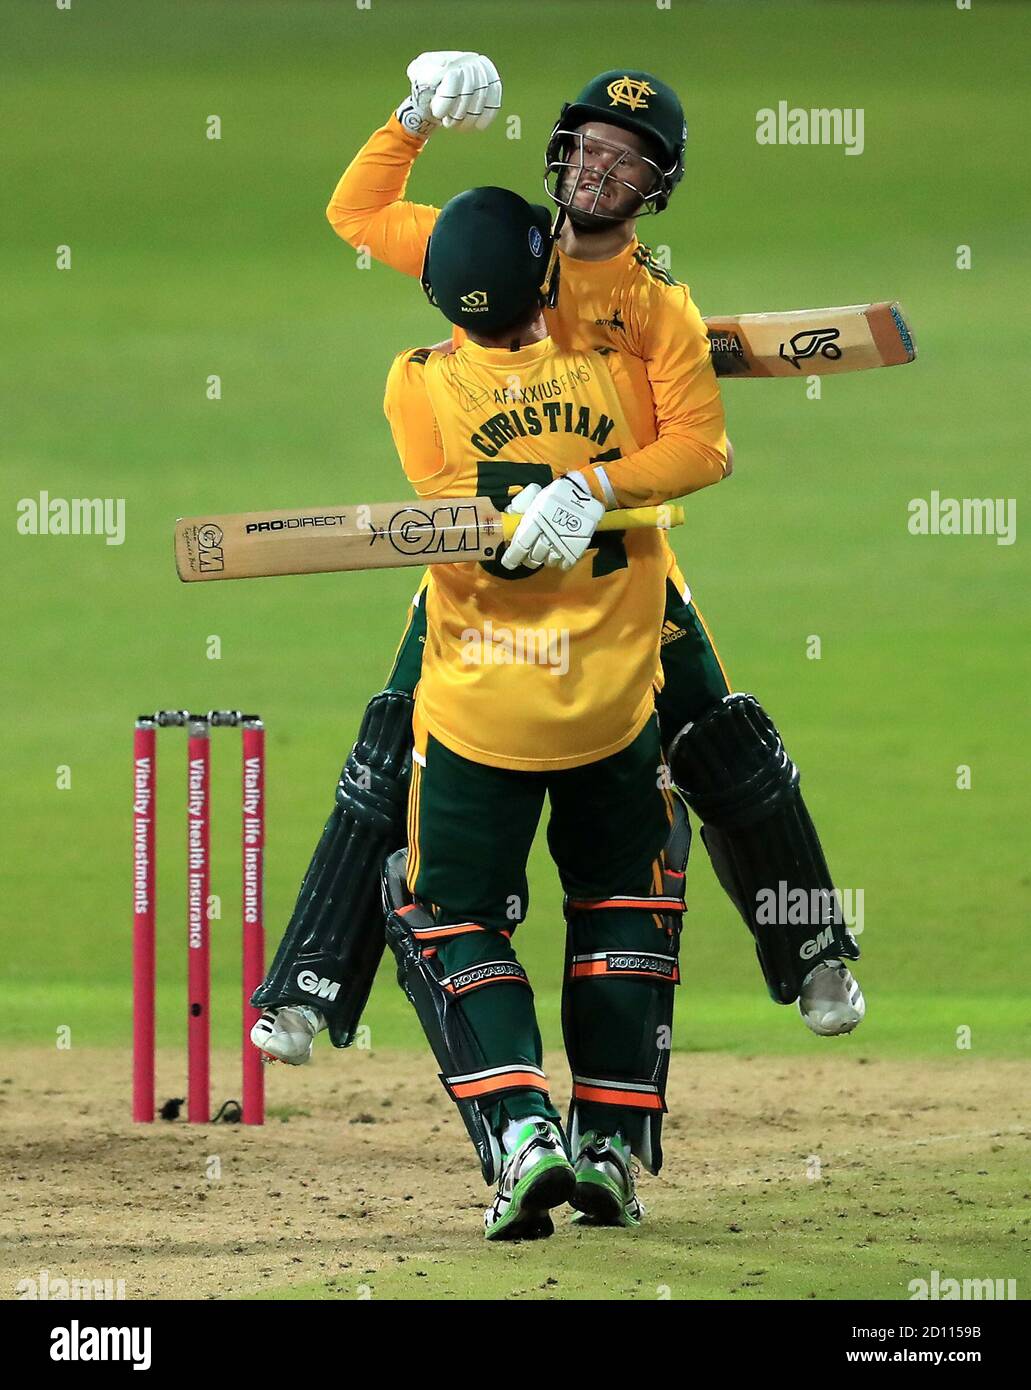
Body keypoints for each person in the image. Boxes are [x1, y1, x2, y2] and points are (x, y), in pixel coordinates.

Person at [251, 55, 862, 1074]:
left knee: (724, 743)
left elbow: (700, 448)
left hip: (620, 561)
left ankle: (810, 954)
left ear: (652, 187)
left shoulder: (652, 302)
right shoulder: (491, 240)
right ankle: (307, 987)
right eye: (586, 147)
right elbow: (358, 216)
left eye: (625, 161)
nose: (597, 173)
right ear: (557, 150)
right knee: (393, 746)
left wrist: (594, 491)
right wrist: (410, 117)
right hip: (479, 565)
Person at [382, 184, 704, 1237]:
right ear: (546, 281)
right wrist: (599, 484)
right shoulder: (621, 373)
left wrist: (410, 118)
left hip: (483, 713)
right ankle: (608, 1145)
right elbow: (688, 453)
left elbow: (444, 505)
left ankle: (522, 1135)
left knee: (446, 910)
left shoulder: (416, 389)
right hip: (610, 707)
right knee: (622, 902)